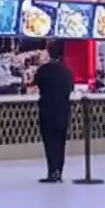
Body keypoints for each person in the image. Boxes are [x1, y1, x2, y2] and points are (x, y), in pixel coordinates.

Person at [35, 45, 75, 183]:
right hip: (64, 111)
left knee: (50, 143)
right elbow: (71, 88)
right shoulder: (67, 71)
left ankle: (51, 171)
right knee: (61, 142)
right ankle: (59, 171)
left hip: (47, 110)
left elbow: (37, 84)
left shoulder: (43, 71)